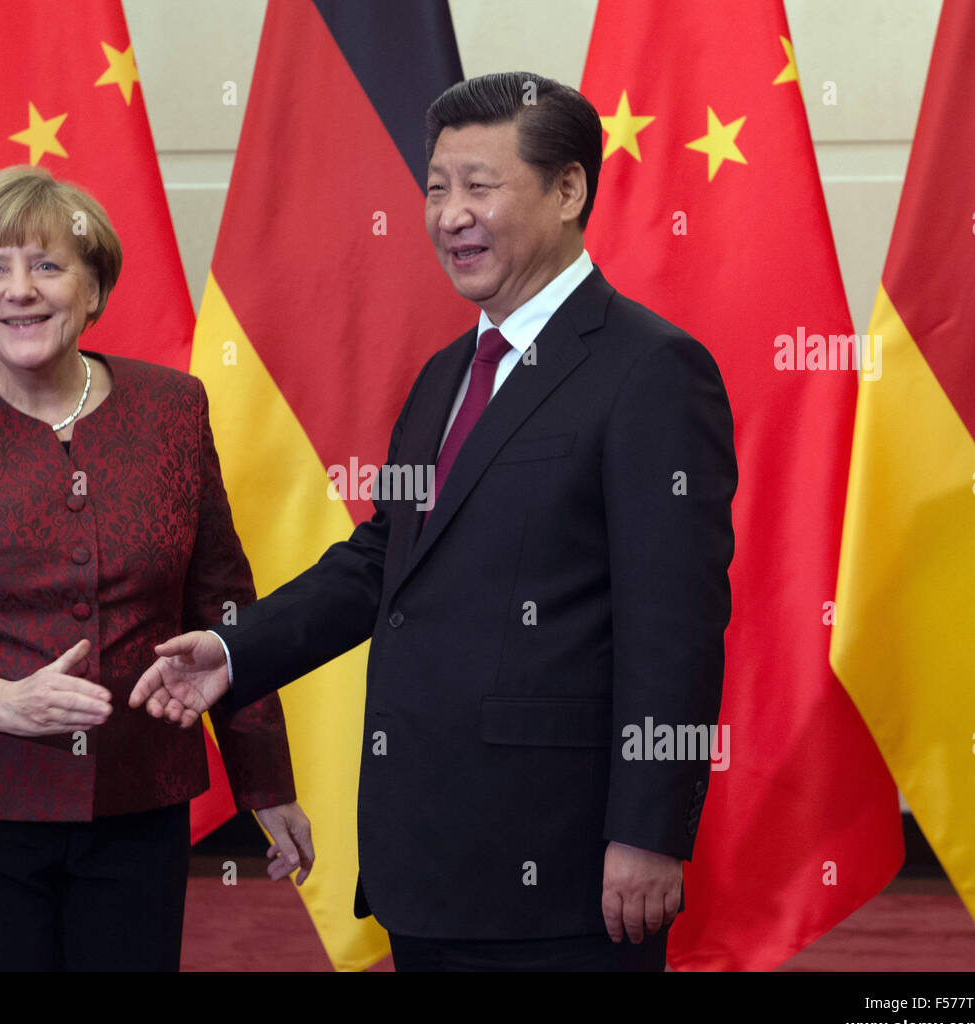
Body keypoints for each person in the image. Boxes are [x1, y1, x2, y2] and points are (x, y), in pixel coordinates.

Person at [131, 72, 736, 972]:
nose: (451, 214)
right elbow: (383, 561)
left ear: (569, 190)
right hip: (427, 860)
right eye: (436, 187)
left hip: (566, 868)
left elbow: (676, 626)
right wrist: (233, 649)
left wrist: (650, 831)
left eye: (479, 185)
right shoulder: (444, 376)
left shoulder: (651, 370)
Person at [0, 165, 313, 972]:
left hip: (135, 804)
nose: (21, 289)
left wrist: (265, 780)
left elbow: (224, 608)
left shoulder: (173, 407)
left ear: (94, 288)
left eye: (48, 265)